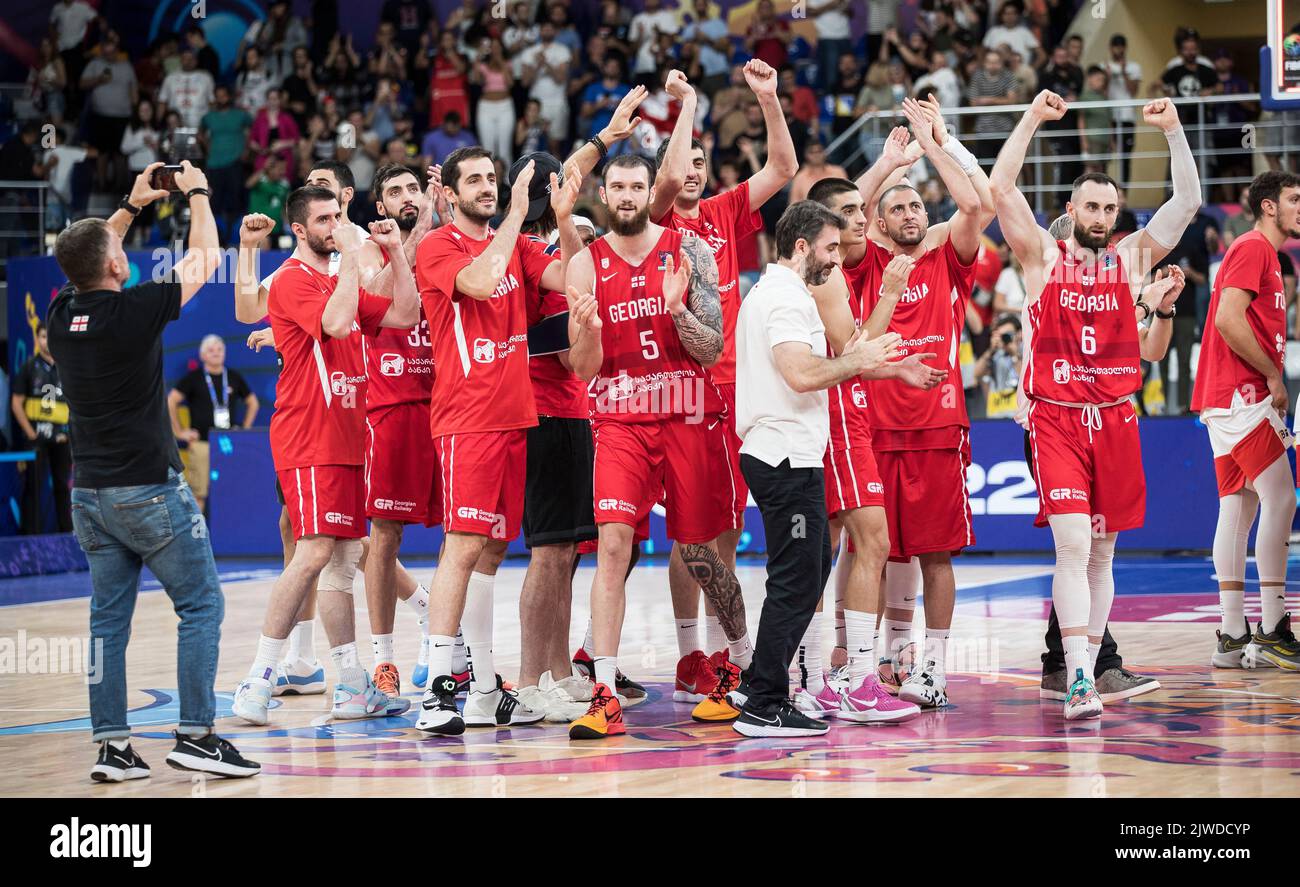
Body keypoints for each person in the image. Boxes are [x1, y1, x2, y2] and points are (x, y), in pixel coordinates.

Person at [47, 160, 259, 781]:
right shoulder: (130, 311)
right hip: (147, 490)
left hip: (88, 494)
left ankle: (113, 747)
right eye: (119, 250)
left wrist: (131, 208)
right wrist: (196, 193)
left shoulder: (63, 317)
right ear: (116, 266)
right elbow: (202, 259)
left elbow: (81, 259)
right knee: (202, 606)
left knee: (106, 623)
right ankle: (196, 733)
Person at [991, 91, 1199, 719]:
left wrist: (1173, 130)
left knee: (1104, 551)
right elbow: (1002, 189)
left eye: (1111, 207)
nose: (1103, 215)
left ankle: (1084, 668)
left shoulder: (1131, 258)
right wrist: (1031, 117)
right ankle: (1080, 676)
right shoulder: (1043, 257)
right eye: (1092, 206)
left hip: (1114, 417)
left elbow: (1186, 201)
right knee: (1074, 545)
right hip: (1056, 417)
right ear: (1072, 209)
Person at [230, 186, 420, 727]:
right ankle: (259, 678)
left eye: (339, 216)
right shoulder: (292, 280)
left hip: (348, 437)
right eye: (323, 220)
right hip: (309, 436)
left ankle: (352, 684)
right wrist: (358, 262)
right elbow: (337, 323)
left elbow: (405, 314)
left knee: (339, 564)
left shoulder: (337, 279)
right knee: (312, 553)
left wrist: (397, 253)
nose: (335, 226)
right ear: (299, 229)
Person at [411, 146, 581, 735]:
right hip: (468, 417)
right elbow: (481, 284)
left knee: (489, 551)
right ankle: (438, 688)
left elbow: (570, 276)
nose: (487, 186)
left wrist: (561, 217)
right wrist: (513, 213)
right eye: (475, 181)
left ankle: (485, 690)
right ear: (451, 194)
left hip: (515, 417)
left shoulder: (524, 247)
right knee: (461, 546)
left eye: (493, 178)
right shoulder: (440, 247)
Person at [562, 152, 730, 739]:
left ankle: (738, 662)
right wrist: (588, 330)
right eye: (619, 187)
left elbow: (711, 350)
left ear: (647, 191)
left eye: (638, 186)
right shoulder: (583, 266)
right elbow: (582, 370)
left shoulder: (690, 250)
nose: (628, 195)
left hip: (687, 414)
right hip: (619, 420)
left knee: (702, 554)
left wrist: (678, 308)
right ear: (604, 196)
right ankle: (603, 691)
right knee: (612, 550)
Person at [647, 63, 798, 712]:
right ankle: (690, 653)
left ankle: (716, 651)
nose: (697, 170)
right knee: (690, 530)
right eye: (687, 161)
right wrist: (687, 108)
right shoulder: (656, 221)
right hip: (678, 391)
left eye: (705, 161)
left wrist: (767, 98)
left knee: (725, 530)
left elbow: (784, 170)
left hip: (736, 391)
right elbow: (661, 188)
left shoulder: (723, 211)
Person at [731, 201, 902, 737]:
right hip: (784, 456)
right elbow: (801, 374)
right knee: (797, 579)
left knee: (799, 576)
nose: (837, 258)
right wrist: (861, 361)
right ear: (801, 246)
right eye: (830, 248)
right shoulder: (783, 297)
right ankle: (764, 701)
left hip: (786, 453)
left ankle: (759, 687)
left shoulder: (778, 292)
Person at [849, 96, 995, 707]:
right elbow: (830, 213)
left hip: (937, 428)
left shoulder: (945, 255)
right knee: (873, 553)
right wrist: (885, 166)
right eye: (898, 208)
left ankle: (931, 668)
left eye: (916, 204)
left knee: (935, 553)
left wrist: (935, 142)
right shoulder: (860, 261)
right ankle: (873, 660)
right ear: (878, 222)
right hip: (874, 427)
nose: (911, 212)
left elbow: (978, 205)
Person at [801, 174, 947, 719]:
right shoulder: (827, 278)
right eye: (851, 212)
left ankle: (827, 673)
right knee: (860, 543)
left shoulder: (824, 272)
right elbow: (855, 352)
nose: (862, 219)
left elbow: (858, 360)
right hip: (838, 422)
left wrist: (898, 371)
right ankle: (843, 675)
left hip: (844, 416)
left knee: (837, 547)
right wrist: (889, 294)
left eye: (865, 210)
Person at [1195, 170, 1300, 670]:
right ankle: (1275, 625)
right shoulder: (1255, 247)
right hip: (1241, 393)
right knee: (1280, 495)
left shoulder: (1268, 257)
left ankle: (1233, 633)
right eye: (1294, 199)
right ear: (1268, 207)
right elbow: (1226, 320)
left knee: (1238, 510)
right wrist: (1272, 376)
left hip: (1227, 396)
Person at [167, 336, 258, 514]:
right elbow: (171, 401)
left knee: (230, 492)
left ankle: (228, 536)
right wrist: (179, 432)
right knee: (198, 494)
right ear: (202, 355)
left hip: (228, 444)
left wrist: (244, 430)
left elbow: (253, 402)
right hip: (202, 443)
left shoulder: (233, 377)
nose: (216, 353)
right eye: (211, 350)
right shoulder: (193, 378)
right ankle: (198, 536)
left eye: (219, 349)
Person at [10, 322, 73, 533]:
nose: (47, 341)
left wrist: (69, 431)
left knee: (63, 487)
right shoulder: (29, 367)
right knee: (33, 488)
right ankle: (30, 536)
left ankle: (66, 534)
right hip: (36, 438)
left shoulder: (66, 369)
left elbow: (75, 404)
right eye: (43, 337)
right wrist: (30, 433)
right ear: (37, 339)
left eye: (50, 336)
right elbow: (16, 403)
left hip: (61, 439)